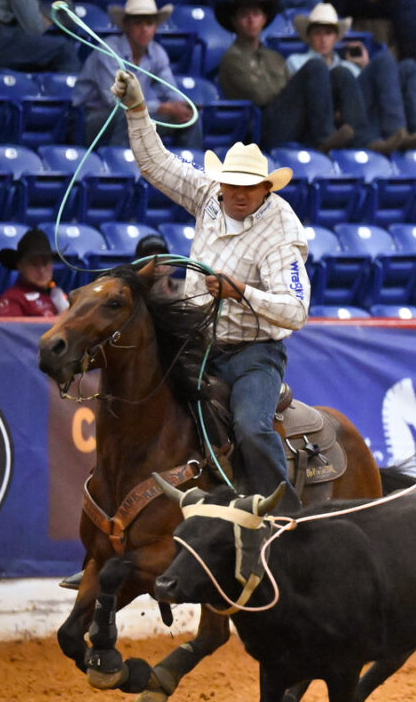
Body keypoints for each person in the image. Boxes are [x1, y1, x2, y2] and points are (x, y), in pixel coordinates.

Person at [110, 68, 309, 500]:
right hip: (197, 343)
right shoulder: (208, 196)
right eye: (232, 186)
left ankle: (289, 516)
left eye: (249, 188)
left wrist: (242, 291)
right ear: (222, 183)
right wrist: (138, 111)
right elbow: (156, 164)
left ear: (265, 189)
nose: (238, 195)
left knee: (253, 428)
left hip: (253, 354)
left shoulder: (280, 232)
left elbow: (295, 310)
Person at [289, 2, 416, 154]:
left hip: (358, 115)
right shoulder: (296, 61)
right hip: (330, 119)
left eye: (328, 33)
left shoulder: (350, 66)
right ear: (309, 37)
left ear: (336, 37)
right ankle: (396, 132)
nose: (323, 39)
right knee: (384, 59)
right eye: (318, 33)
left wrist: (365, 67)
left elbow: (367, 93)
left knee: (409, 68)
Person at [215, 0, 356, 151]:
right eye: (244, 16)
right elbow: (261, 97)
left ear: (264, 19)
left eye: (256, 14)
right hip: (263, 127)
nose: (251, 20)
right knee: (316, 66)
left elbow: (287, 89)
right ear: (235, 21)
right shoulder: (233, 58)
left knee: (340, 73)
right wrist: (291, 91)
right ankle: (325, 137)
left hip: (288, 118)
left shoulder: (274, 57)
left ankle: (356, 140)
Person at [73, 0, 196, 147]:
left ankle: (189, 168)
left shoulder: (157, 52)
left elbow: (170, 89)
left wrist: (181, 106)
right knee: (129, 115)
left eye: (149, 24)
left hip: (138, 112)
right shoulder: (109, 51)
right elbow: (117, 101)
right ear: (126, 26)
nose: (144, 29)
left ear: (155, 28)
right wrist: (163, 107)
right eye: (138, 23)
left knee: (189, 118)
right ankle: (120, 166)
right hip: (92, 118)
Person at [0, 228, 69, 319]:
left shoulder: (59, 296)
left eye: (45, 263)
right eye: (34, 264)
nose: (41, 270)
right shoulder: (12, 299)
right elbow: (14, 332)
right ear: (20, 265)